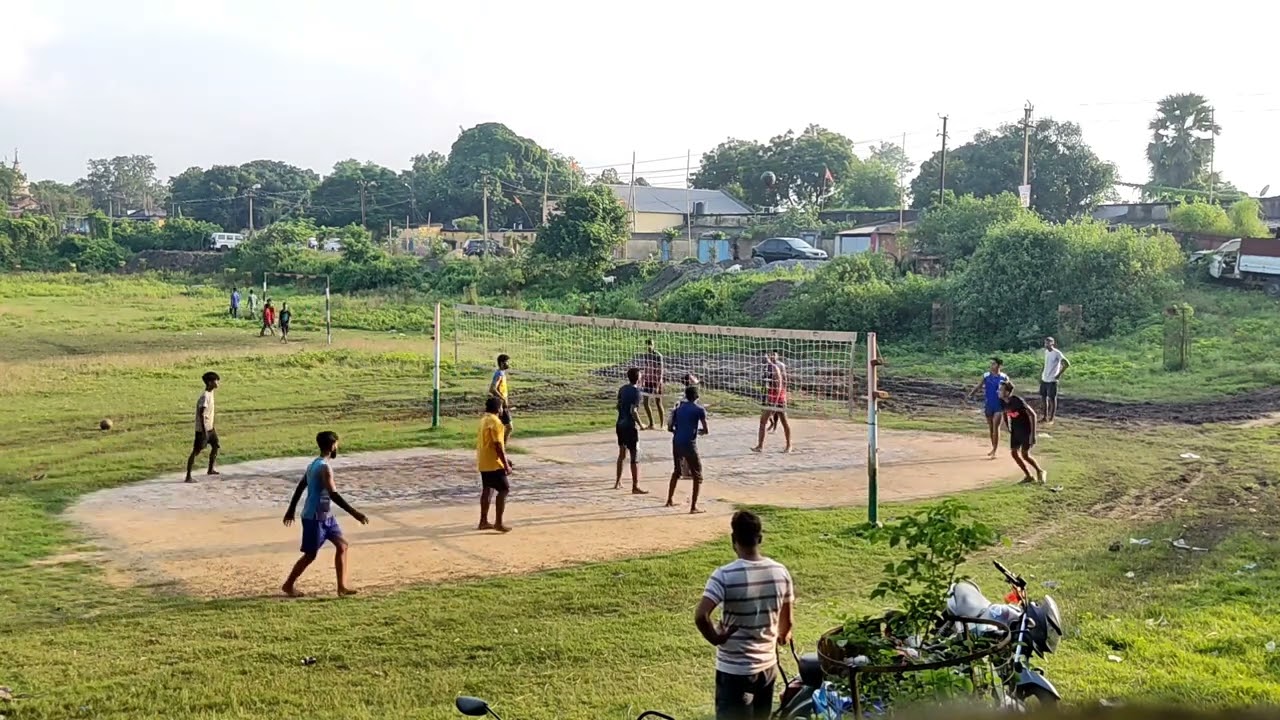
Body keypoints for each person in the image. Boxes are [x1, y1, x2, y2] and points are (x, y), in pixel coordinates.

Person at [695, 510, 794, 720]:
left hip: (734, 670)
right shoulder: (780, 572)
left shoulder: (723, 575)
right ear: (760, 538)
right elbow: (786, 627)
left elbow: (701, 616)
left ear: (733, 539)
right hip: (767, 667)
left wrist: (716, 638)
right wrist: (782, 636)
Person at [281, 430, 369, 597]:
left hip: (326, 516)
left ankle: (341, 587)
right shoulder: (323, 468)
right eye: (337, 443)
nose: (338, 446)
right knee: (310, 555)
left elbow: (301, 487)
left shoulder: (313, 464)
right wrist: (354, 513)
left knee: (342, 545)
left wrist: (291, 509)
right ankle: (288, 585)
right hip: (314, 517)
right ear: (332, 446)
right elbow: (334, 495)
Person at [667, 384, 709, 514]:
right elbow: (706, 430)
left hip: (677, 441)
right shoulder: (699, 409)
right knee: (698, 475)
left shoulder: (679, 408)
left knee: (677, 471)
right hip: (689, 443)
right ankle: (693, 506)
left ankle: (669, 500)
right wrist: (698, 432)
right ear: (697, 396)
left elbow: (670, 427)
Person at [477, 396, 514, 532]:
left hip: (483, 460)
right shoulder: (496, 423)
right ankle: (498, 522)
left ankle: (483, 521)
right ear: (498, 408)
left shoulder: (484, 420)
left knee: (488, 488)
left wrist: (505, 459)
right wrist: (506, 465)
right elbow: (498, 445)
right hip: (493, 462)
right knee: (504, 489)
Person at [1000, 381, 1045, 485]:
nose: (999, 391)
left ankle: (1039, 471)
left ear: (1007, 392)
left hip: (1026, 430)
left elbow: (1033, 415)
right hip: (1015, 430)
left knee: (1025, 454)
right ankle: (1028, 476)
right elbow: (1004, 413)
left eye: (1001, 390)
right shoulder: (1002, 401)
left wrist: (1033, 435)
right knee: (1014, 453)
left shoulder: (1017, 401)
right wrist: (1007, 425)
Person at [967, 357, 1009, 459]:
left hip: (999, 405)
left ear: (999, 366)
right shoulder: (986, 376)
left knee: (996, 427)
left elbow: (1009, 390)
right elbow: (979, 386)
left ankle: (995, 450)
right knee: (991, 428)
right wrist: (971, 394)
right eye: (991, 364)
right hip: (989, 404)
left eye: (994, 364)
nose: (991, 366)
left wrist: (1006, 400)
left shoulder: (1004, 377)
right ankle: (993, 447)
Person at [751, 352, 792, 454]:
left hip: (778, 398)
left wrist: (775, 403)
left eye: (764, 359)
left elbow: (779, 385)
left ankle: (789, 445)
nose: (762, 361)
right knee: (762, 421)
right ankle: (760, 446)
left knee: (784, 421)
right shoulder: (767, 368)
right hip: (771, 396)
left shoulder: (775, 368)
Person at [184, 371, 221, 483]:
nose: (217, 383)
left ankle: (210, 469)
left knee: (216, 446)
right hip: (203, 430)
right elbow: (201, 414)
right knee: (196, 451)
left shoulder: (211, 393)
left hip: (210, 428)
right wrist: (205, 432)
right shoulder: (205, 396)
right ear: (210, 383)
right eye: (215, 381)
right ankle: (188, 476)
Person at [615, 367, 646, 494]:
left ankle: (618, 481)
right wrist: (641, 424)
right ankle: (635, 486)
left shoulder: (622, 389)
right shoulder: (637, 392)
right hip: (630, 426)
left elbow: (618, 405)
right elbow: (633, 411)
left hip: (620, 424)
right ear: (638, 378)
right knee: (635, 454)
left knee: (622, 454)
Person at [1039, 336, 1070, 425]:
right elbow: (1045, 364)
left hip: (1052, 379)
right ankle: (1045, 417)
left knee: (1052, 399)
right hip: (1045, 378)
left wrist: (1058, 375)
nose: (1046, 344)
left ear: (1053, 343)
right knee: (1043, 398)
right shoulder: (1046, 352)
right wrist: (1041, 374)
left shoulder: (1057, 353)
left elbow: (1066, 364)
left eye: (1048, 343)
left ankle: (1051, 419)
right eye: (1045, 343)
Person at [640, 339, 666, 430]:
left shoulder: (658, 356)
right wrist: (642, 380)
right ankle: (652, 423)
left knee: (658, 402)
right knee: (645, 402)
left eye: (651, 345)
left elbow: (661, 371)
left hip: (656, 381)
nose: (649, 347)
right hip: (648, 381)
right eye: (647, 345)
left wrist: (658, 384)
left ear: (654, 345)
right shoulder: (646, 355)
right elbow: (645, 368)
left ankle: (662, 424)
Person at [489, 354, 513, 444]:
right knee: (509, 427)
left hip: (502, 403)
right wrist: (502, 398)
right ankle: (501, 448)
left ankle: (499, 449)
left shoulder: (502, 373)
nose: (508, 364)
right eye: (507, 362)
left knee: (501, 427)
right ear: (502, 363)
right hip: (500, 404)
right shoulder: (499, 374)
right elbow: (492, 388)